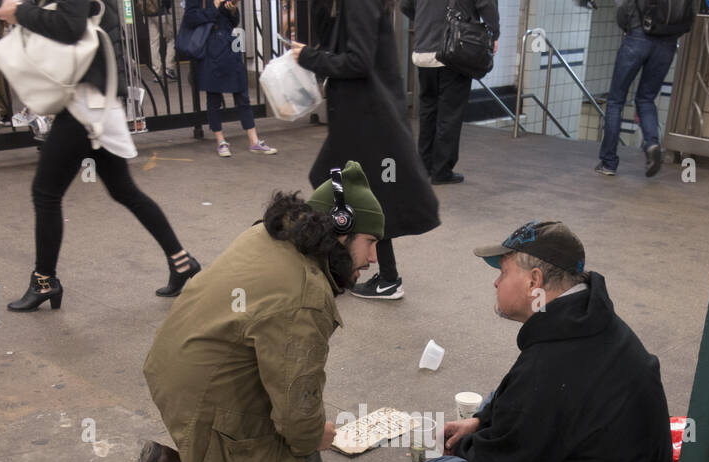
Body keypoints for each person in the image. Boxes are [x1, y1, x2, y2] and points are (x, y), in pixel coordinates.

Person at [355, 221, 674, 462]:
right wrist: (479, 423)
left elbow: (503, 460)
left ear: (534, 281)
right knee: (495, 398)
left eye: (504, 272)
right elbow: (531, 409)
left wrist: (462, 447)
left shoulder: (554, 363)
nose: (495, 282)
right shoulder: (589, 321)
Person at [122, 161, 384, 462]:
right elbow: (296, 406)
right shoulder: (305, 296)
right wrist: (313, 436)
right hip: (203, 396)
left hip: (175, 366)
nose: (373, 259)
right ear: (340, 230)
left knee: (295, 453)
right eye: (371, 242)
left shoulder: (270, 235)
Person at [0, 0, 202, 310]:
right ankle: (182, 262)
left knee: (46, 193)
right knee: (123, 191)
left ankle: (45, 281)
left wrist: (19, 12)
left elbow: (70, 26)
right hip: (95, 101)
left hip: (85, 103)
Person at [293, 0, 439, 301]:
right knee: (353, 190)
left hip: (367, 120)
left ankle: (362, 271)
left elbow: (358, 62)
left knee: (335, 183)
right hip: (361, 119)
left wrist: (310, 58)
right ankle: (374, 273)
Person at [400, 0, 499, 185]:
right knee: (449, 113)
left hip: (423, 51)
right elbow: (486, 4)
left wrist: (426, 21)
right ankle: (441, 170)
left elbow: (405, 6)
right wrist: (494, 34)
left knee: (428, 110)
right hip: (453, 50)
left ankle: (424, 166)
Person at [595, 0, 694, 179]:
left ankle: (608, 162)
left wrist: (627, 25)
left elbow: (625, 6)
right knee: (646, 99)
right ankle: (652, 144)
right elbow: (690, 14)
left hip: (638, 36)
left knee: (616, 101)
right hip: (668, 42)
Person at [183, 0, 276, 155]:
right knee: (213, 98)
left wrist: (232, 11)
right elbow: (190, 19)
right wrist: (216, 9)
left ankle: (254, 141)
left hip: (230, 48)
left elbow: (233, 23)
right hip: (210, 51)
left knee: (242, 95)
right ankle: (221, 141)